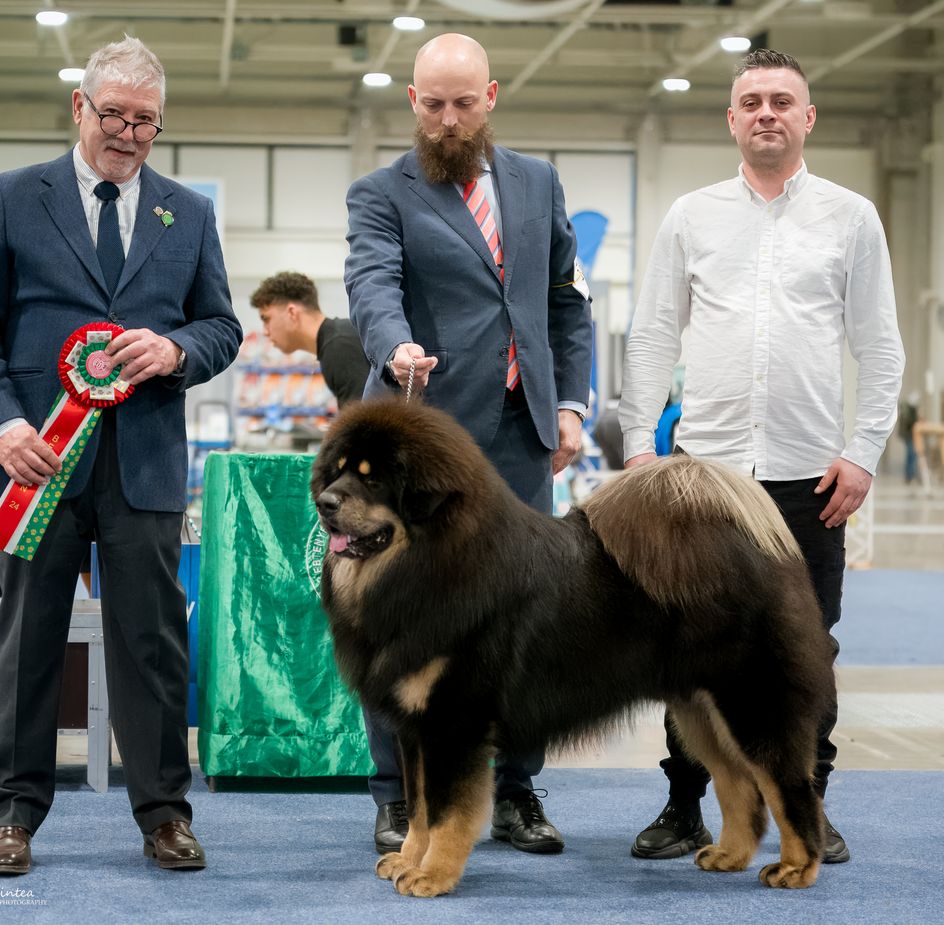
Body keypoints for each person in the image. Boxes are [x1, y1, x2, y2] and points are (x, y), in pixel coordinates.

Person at [0, 36, 243, 875]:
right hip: (35, 460)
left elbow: (221, 326)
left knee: (152, 643)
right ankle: (11, 814)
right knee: (26, 638)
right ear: (78, 106)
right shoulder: (12, 198)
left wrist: (179, 350)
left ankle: (164, 815)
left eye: (145, 120)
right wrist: (2, 427)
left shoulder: (186, 212)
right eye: (113, 114)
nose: (128, 133)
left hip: (144, 463)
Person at [618, 48, 905, 866]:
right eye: (752, 101)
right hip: (704, 480)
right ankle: (683, 806)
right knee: (685, 645)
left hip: (809, 479)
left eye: (783, 100)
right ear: (732, 119)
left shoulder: (852, 218)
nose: (767, 112)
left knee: (807, 650)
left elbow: (880, 347)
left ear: (808, 118)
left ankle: (805, 810)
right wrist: (642, 446)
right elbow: (651, 336)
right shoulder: (690, 216)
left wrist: (861, 452)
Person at [344, 32, 592, 856]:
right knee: (403, 620)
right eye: (432, 104)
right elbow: (372, 282)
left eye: (463, 103)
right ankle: (397, 795)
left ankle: (516, 789)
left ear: (491, 98)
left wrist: (572, 405)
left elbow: (564, 300)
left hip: (524, 438)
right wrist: (395, 346)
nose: (448, 120)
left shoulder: (539, 181)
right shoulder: (381, 191)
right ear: (413, 103)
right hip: (426, 444)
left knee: (527, 619)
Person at [250, 271, 369, 408]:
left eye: (266, 319)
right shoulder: (336, 341)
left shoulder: (339, 347)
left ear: (292, 313)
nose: (265, 332)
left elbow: (364, 423)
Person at [898, 391, 921, 485]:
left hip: (912, 435)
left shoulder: (912, 409)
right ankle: (909, 476)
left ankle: (911, 475)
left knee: (912, 455)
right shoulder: (907, 410)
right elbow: (908, 422)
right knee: (911, 455)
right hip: (908, 436)